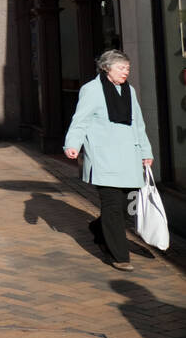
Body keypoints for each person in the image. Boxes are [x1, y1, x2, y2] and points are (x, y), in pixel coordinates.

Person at [63, 50, 155, 271]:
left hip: (129, 159)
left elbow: (138, 124)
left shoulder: (129, 91)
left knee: (122, 207)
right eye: (121, 68)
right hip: (104, 157)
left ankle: (98, 228)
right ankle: (119, 256)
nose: (126, 72)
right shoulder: (91, 90)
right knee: (113, 207)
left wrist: (146, 151)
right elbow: (80, 121)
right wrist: (72, 144)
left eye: (127, 68)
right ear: (107, 68)